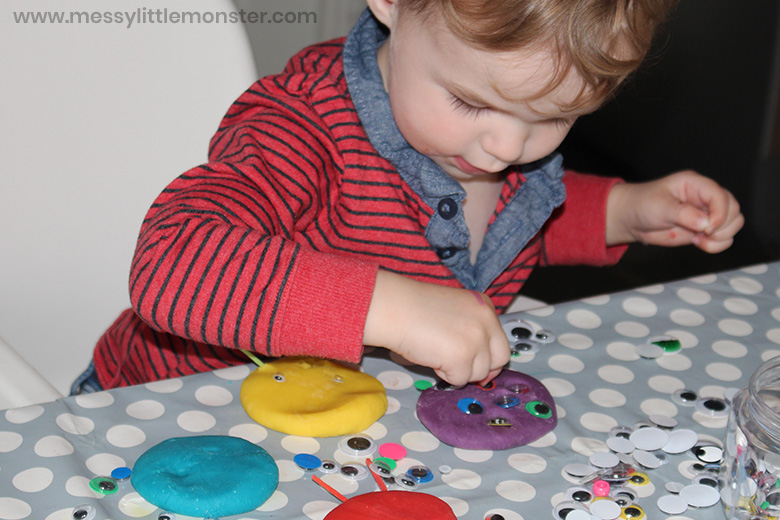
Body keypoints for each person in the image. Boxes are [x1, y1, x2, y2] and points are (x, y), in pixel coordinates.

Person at [74, 0, 743, 394]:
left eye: (554, 118)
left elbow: (503, 227)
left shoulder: (479, 140)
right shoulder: (305, 127)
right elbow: (173, 262)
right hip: (164, 416)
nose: (505, 149)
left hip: (338, 429)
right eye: (469, 101)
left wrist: (623, 212)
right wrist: (390, 308)